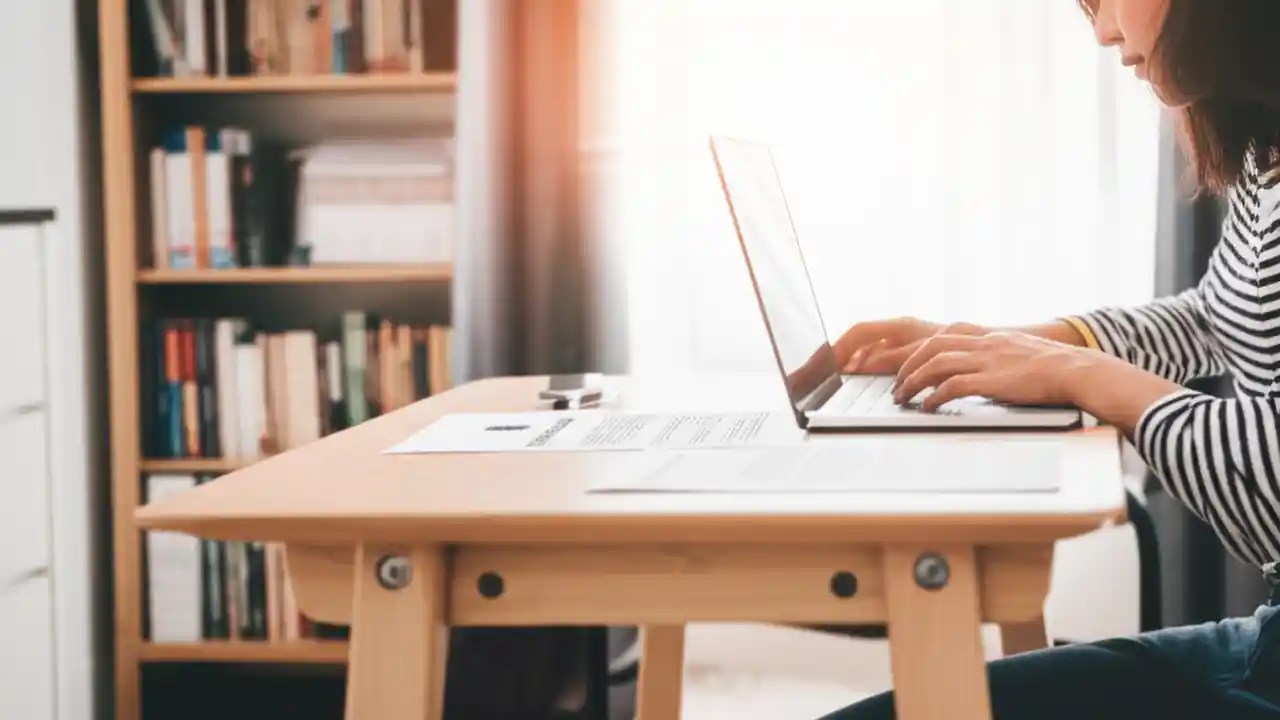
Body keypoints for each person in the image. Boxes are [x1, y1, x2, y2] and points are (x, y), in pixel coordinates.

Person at [822, 0, 1280, 718]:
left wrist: (1080, 376)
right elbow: (1211, 315)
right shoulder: (1269, 150)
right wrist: (1008, 346)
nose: (1101, 31)